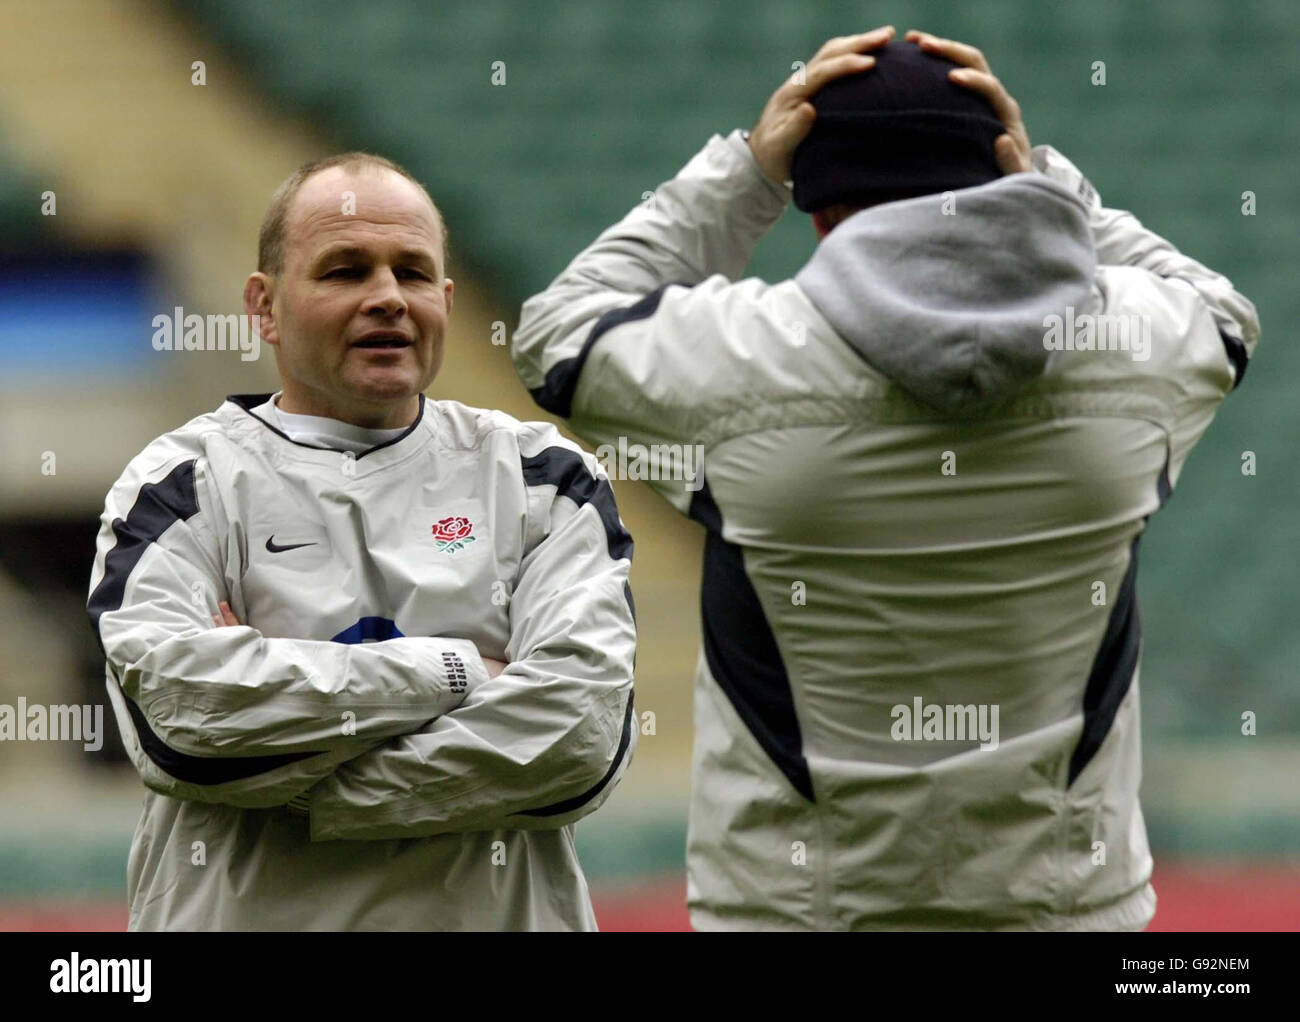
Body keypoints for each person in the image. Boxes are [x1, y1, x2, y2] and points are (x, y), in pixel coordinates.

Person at [511, 26, 1259, 930]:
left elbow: (557, 334)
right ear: (1000, 182)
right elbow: (1224, 316)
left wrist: (746, 175)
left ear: (820, 213)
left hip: (793, 912)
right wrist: (1053, 187)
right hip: (1070, 908)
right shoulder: (1134, 349)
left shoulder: (738, 357)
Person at [86, 152, 637, 931]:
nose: (387, 298)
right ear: (265, 305)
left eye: (412, 274)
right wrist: (450, 670)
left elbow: (580, 738)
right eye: (345, 271)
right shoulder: (181, 482)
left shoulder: (544, 478)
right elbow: (184, 725)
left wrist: (308, 785)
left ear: (445, 299)